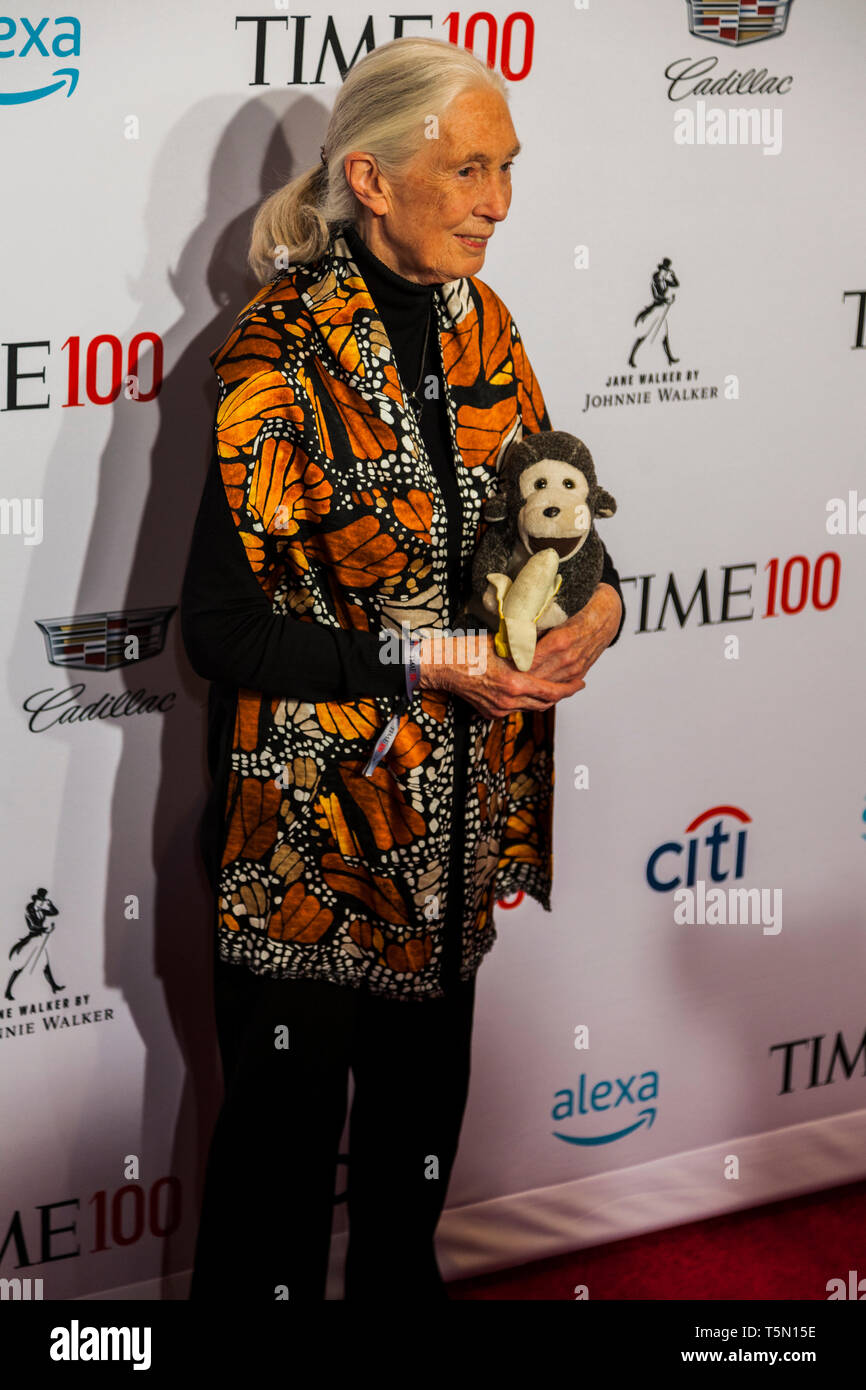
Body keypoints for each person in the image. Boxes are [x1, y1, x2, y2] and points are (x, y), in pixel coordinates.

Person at [181, 35, 625, 1303]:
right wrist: (427, 658)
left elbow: (566, 538)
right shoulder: (276, 355)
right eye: (470, 168)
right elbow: (222, 632)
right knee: (270, 1211)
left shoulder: (485, 322)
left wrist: (601, 609)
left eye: (508, 168)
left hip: (454, 847)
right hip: (306, 853)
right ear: (370, 179)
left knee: (406, 1202)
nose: (498, 201)